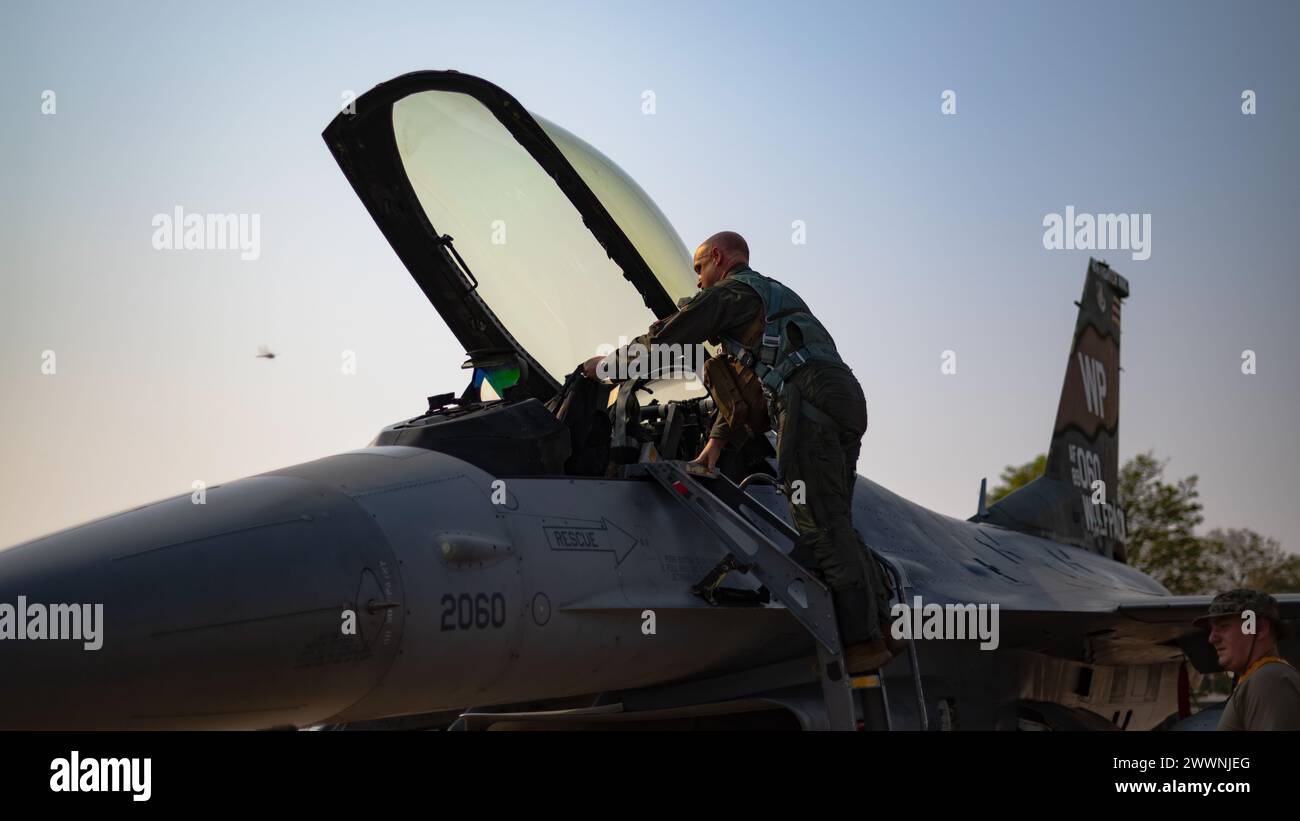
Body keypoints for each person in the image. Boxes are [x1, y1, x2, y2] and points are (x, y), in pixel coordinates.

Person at [582, 231, 895, 670]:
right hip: (839, 396)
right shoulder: (771, 298)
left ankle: (860, 644)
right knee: (833, 516)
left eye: (699, 269)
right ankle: (880, 625)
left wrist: (608, 367)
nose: (698, 282)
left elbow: (670, 338)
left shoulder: (732, 293)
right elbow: (750, 383)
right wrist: (716, 443)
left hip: (807, 402)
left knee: (818, 523)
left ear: (718, 257)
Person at [1193, 588, 1300, 730]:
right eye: (1211, 629)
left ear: (1260, 628)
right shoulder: (1263, 678)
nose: (1212, 638)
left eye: (1224, 626)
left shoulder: (1269, 679)